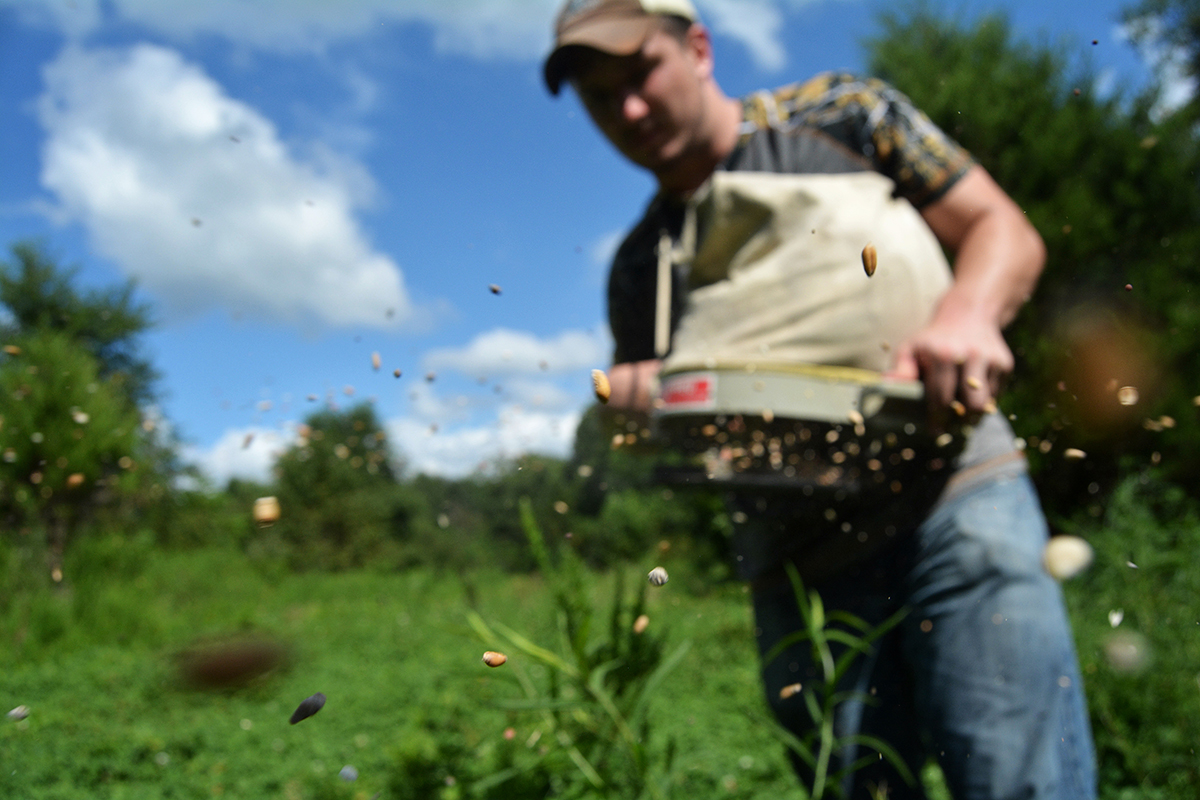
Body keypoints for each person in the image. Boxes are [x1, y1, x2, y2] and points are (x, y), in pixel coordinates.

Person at [543, 1, 1097, 799]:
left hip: (954, 496)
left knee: (1023, 782)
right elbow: (659, 410)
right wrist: (629, 403)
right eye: (600, 97)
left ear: (697, 48)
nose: (628, 109)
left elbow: (1000, 229)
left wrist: (969, 315)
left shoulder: (841, 114)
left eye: (640, 74)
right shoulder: (640, 267)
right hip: (798, 560)